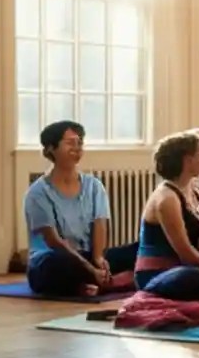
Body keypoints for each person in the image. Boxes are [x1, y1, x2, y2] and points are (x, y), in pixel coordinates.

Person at [23, 120, 136, 297]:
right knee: (56, 265)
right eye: (69, 143)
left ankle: (94, 282)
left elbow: (100, 224)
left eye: (80, 143)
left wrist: (98, 259)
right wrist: (91, 269)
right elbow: (54, 242)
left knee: (139, 250)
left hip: (87, 256)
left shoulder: (94, 186)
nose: (77, 147)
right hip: (55, 259)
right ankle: (100, 282)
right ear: (51, 148)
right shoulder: (37, 193)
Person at [134, 132, 199, 301]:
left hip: (191, 266)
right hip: (160, 273)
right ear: (187, 160)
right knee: (194, 278)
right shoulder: (167, 199)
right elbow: (185, 252)